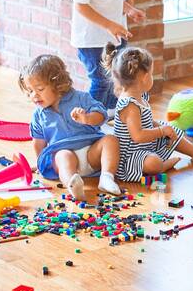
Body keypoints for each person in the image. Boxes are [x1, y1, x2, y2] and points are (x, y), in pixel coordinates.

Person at [106, 45, 193, 184]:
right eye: (151, 74)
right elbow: (137, 136)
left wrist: (163, 128)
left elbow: (147, 121)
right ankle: (162, 166)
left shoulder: (139, 96)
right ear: (143, 78)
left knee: (170, 129)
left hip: (144, 146)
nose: (152, 78)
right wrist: (161, 131)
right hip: (131, 156)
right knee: (153, 163)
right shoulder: (130, 105)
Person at [21, 53, 121, 199]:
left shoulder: (81, 98)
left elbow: (101, 115)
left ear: (57, 84)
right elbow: (38, 142)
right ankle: (73, 185)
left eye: (40, 89)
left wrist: (87, 118)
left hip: (90, 153)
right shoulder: (38, 115)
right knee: (63, 156)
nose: (34, 95)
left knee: (110, 140)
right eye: (30, 91)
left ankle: (106, 178)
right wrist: (40, 163)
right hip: (65, 155)